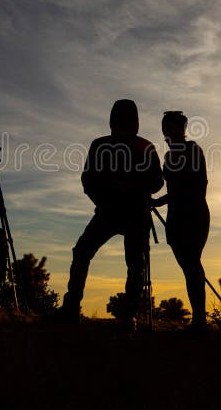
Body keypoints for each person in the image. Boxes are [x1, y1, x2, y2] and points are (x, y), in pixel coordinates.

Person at [59, 99, 164, 326]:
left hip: (134, 212)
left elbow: (157, 182)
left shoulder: (145, 147)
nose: (124, 122)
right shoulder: (101, 145)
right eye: (120, 117)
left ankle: (128, 316)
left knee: (135, 264)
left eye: (128, 117)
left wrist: (133, 187)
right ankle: (71, 309)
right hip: (109, 211)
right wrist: (103, 199)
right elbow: (88, 179)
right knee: (83, 252)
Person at [152, 111, 210, 330]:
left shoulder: (193, 150)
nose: (166, 132)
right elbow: (172, 187)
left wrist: (164, 200)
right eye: (164, 128)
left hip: (193, 213)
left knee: (192, 262)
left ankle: (199, 320)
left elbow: (198, 186)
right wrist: (160, 200)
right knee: (188, 266)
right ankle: (198, 319)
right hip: (175, 215)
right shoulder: (168, 157)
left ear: (181, 129)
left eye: (170, 128)